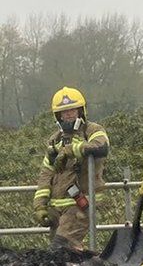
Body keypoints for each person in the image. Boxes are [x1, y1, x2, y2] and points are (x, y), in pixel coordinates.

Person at [33, 87, 109, 251]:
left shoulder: (92, 130)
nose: (68, 114)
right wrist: (40, 206)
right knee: (66, 255)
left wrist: (70, 150)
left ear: (80, 111)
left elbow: (101, 147)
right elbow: (46, 174)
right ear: (58, 115)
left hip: (81, 203)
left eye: (72, 110)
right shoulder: (55, 140)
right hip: (56, 207)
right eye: (63, 111)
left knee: (60, 248)